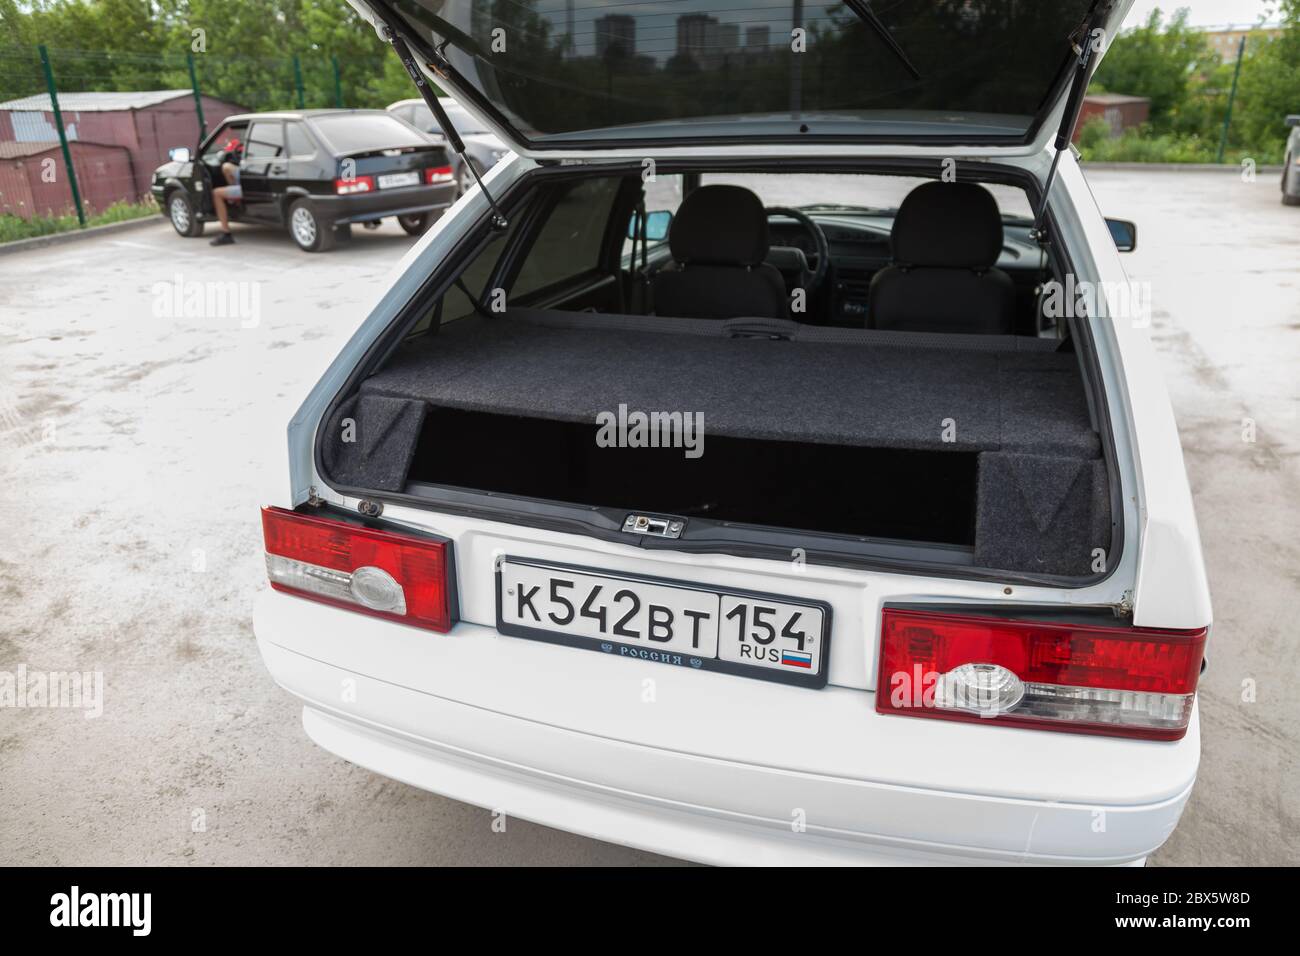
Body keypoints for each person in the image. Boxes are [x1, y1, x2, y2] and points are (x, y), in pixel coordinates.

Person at [209, 136, 243, 246]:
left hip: (246, 187)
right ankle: (234, 198)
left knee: (216, 193)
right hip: (254, 181)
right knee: (226, 167)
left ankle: (226, 233)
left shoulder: (236, 145)